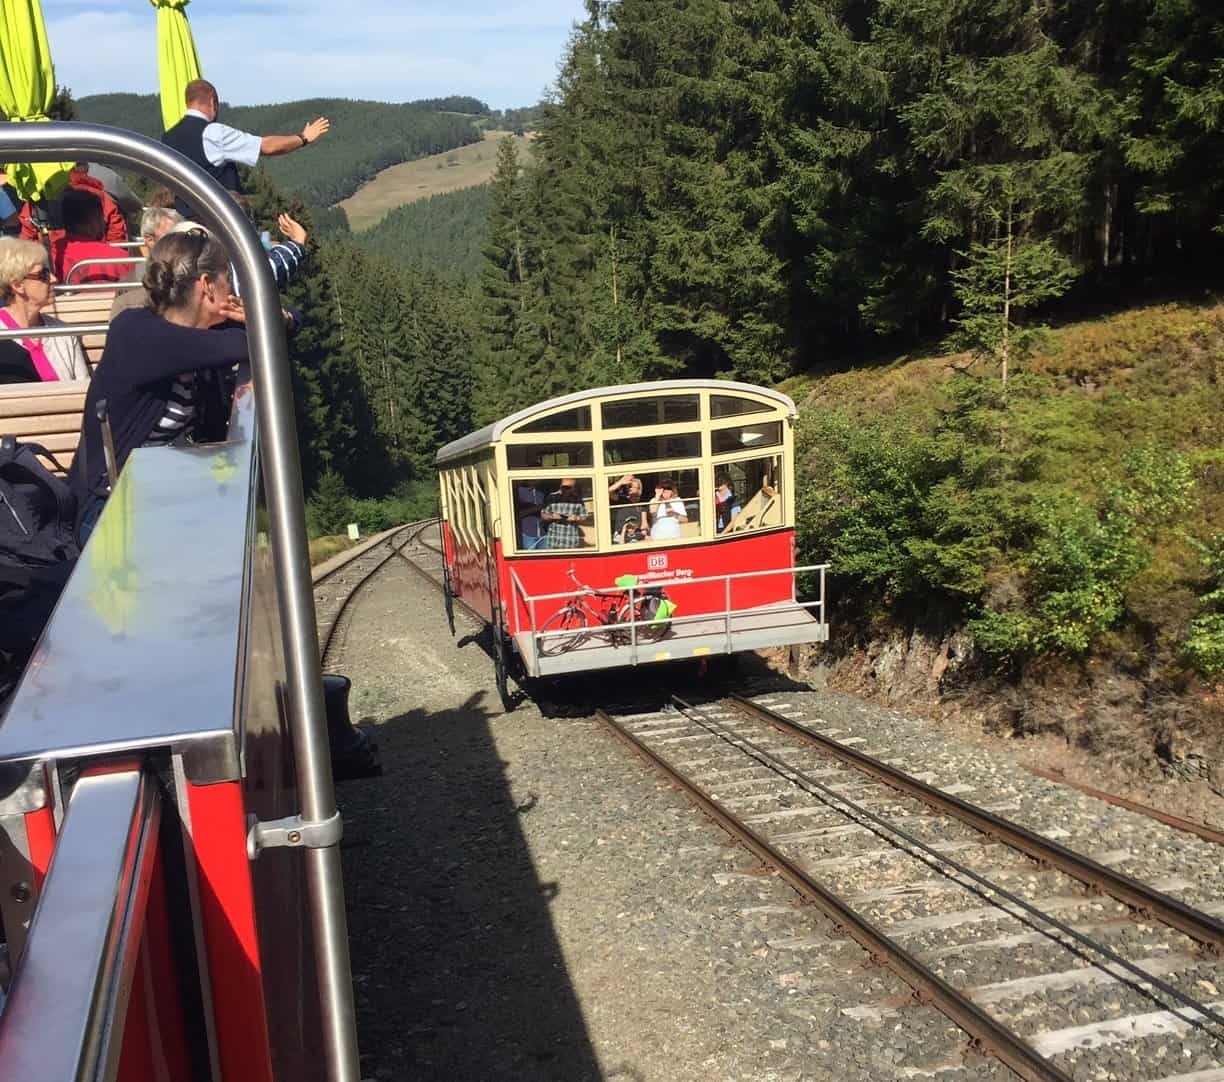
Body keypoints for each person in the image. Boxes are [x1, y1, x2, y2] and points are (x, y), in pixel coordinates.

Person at [68, 228, 253, 539]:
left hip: (163, 496)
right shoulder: (136, 333)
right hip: (110, 512)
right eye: (227, 279)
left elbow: (286, 323)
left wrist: (279, 320)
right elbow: (251, 343)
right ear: (206, 285)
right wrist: (262, 321)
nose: (232, 290)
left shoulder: (198, 335)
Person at [161, 79, 329, 217]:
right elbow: (267, 146)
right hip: (217, 222)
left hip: (182, 222)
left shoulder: (167, 138)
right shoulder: (213, 133)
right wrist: (303, 138)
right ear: (213, 101)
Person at [0, 238, 89, 382]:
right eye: (43, 274)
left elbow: (83, 388)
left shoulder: (64, 333)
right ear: (17, 285)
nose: (54, 279)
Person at [19, 163, 128, 245]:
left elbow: (26, 242)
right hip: (95, 266)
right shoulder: (102, 198)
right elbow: (117, 238)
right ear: (84, 168)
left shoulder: (38, 201)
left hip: (51, 266)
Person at [110, 204, 183, 318]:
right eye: (171, 237)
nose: (179, 244)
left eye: (182, 237)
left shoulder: (190, 277)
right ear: (149, 240)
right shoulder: (129, 283)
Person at [50, 189, 135, 286]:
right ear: (94, 219)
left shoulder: (51, 256)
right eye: (101, 217)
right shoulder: (121, 258)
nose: (104, 222)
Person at [540, 478, 589, 549]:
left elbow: (584, 516)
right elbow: (543, 515)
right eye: (564, 487)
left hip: (570, 540)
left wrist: (576, 518)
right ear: (560, 486)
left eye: (569, 487)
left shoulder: (577, 499)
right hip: (553, 539)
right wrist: (552, 516)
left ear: (573, 487)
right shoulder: (551, 497)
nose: (566, 489)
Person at [515, 480, 546, 549]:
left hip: (543, 534)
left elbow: (543, 512)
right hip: (527, 534)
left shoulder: (541, 493)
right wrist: (537, 508)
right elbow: (516, 513)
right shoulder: (519, 492)